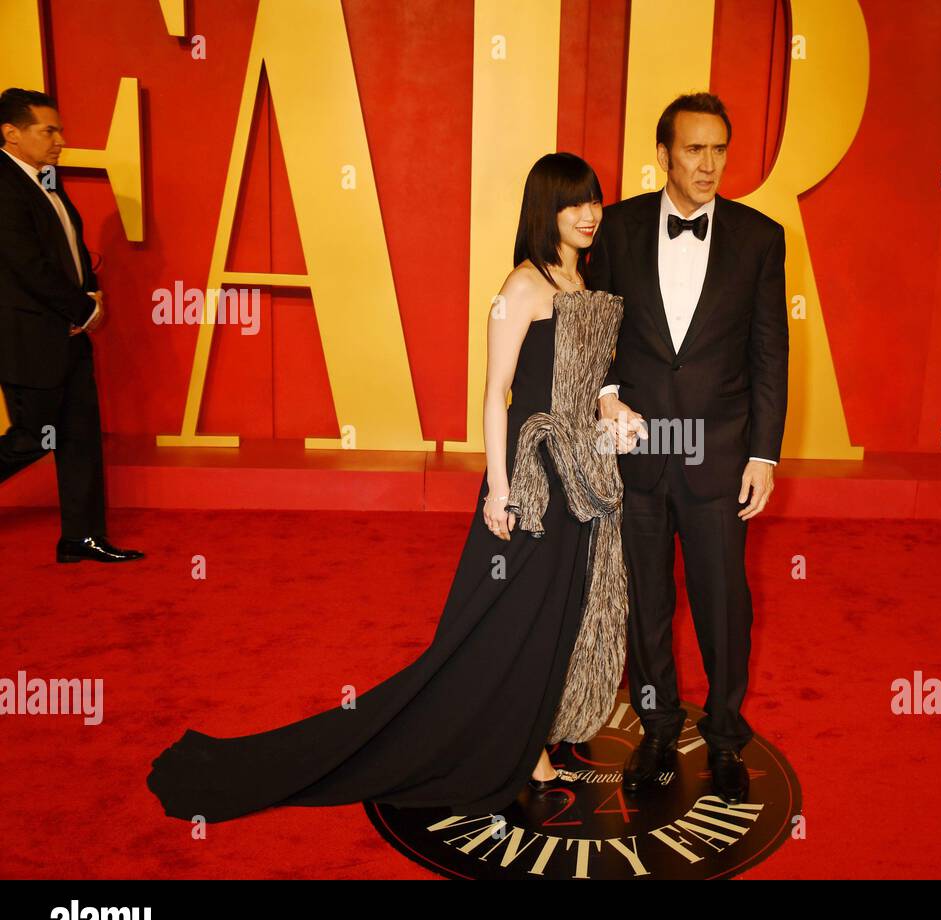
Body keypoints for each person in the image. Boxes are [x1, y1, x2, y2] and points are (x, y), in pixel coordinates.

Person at [146, 152, 631, 823]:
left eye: (595, 201)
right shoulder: (521, 287)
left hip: (582, 476)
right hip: (533, 476)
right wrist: (498, 490)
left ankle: (534, 739)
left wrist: (615, 413)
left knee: (556, 614)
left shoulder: (588, 278)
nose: (587, 215)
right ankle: (495, 746)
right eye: (574, 202)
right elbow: (496, 395)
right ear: (544, 209)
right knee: (501, 620)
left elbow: (592, 379)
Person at [585, 92, 789, 804]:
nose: (709, 165)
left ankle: (729, 735)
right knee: (645, 601)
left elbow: (770, 353)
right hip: (638, 451)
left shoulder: (760, 239)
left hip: (717, 453)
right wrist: (606, 394)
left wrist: (764, 453)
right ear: (665, 152)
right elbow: (597, 330)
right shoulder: (615, 229)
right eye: (695, 149)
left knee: (723, 602)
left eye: (720, 149)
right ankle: (659, 727)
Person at [0, 88, 143, 563]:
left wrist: (92, 291)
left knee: (80, 436)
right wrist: (81, 310)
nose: (60, 139)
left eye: (59, 128)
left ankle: (82, 538)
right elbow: (27, 265)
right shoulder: (1, 184)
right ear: (12, 134)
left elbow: (70, 246)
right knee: (31, 437)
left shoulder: (47, 178)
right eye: (49, 130)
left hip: (71, 335)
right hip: (30, 339)